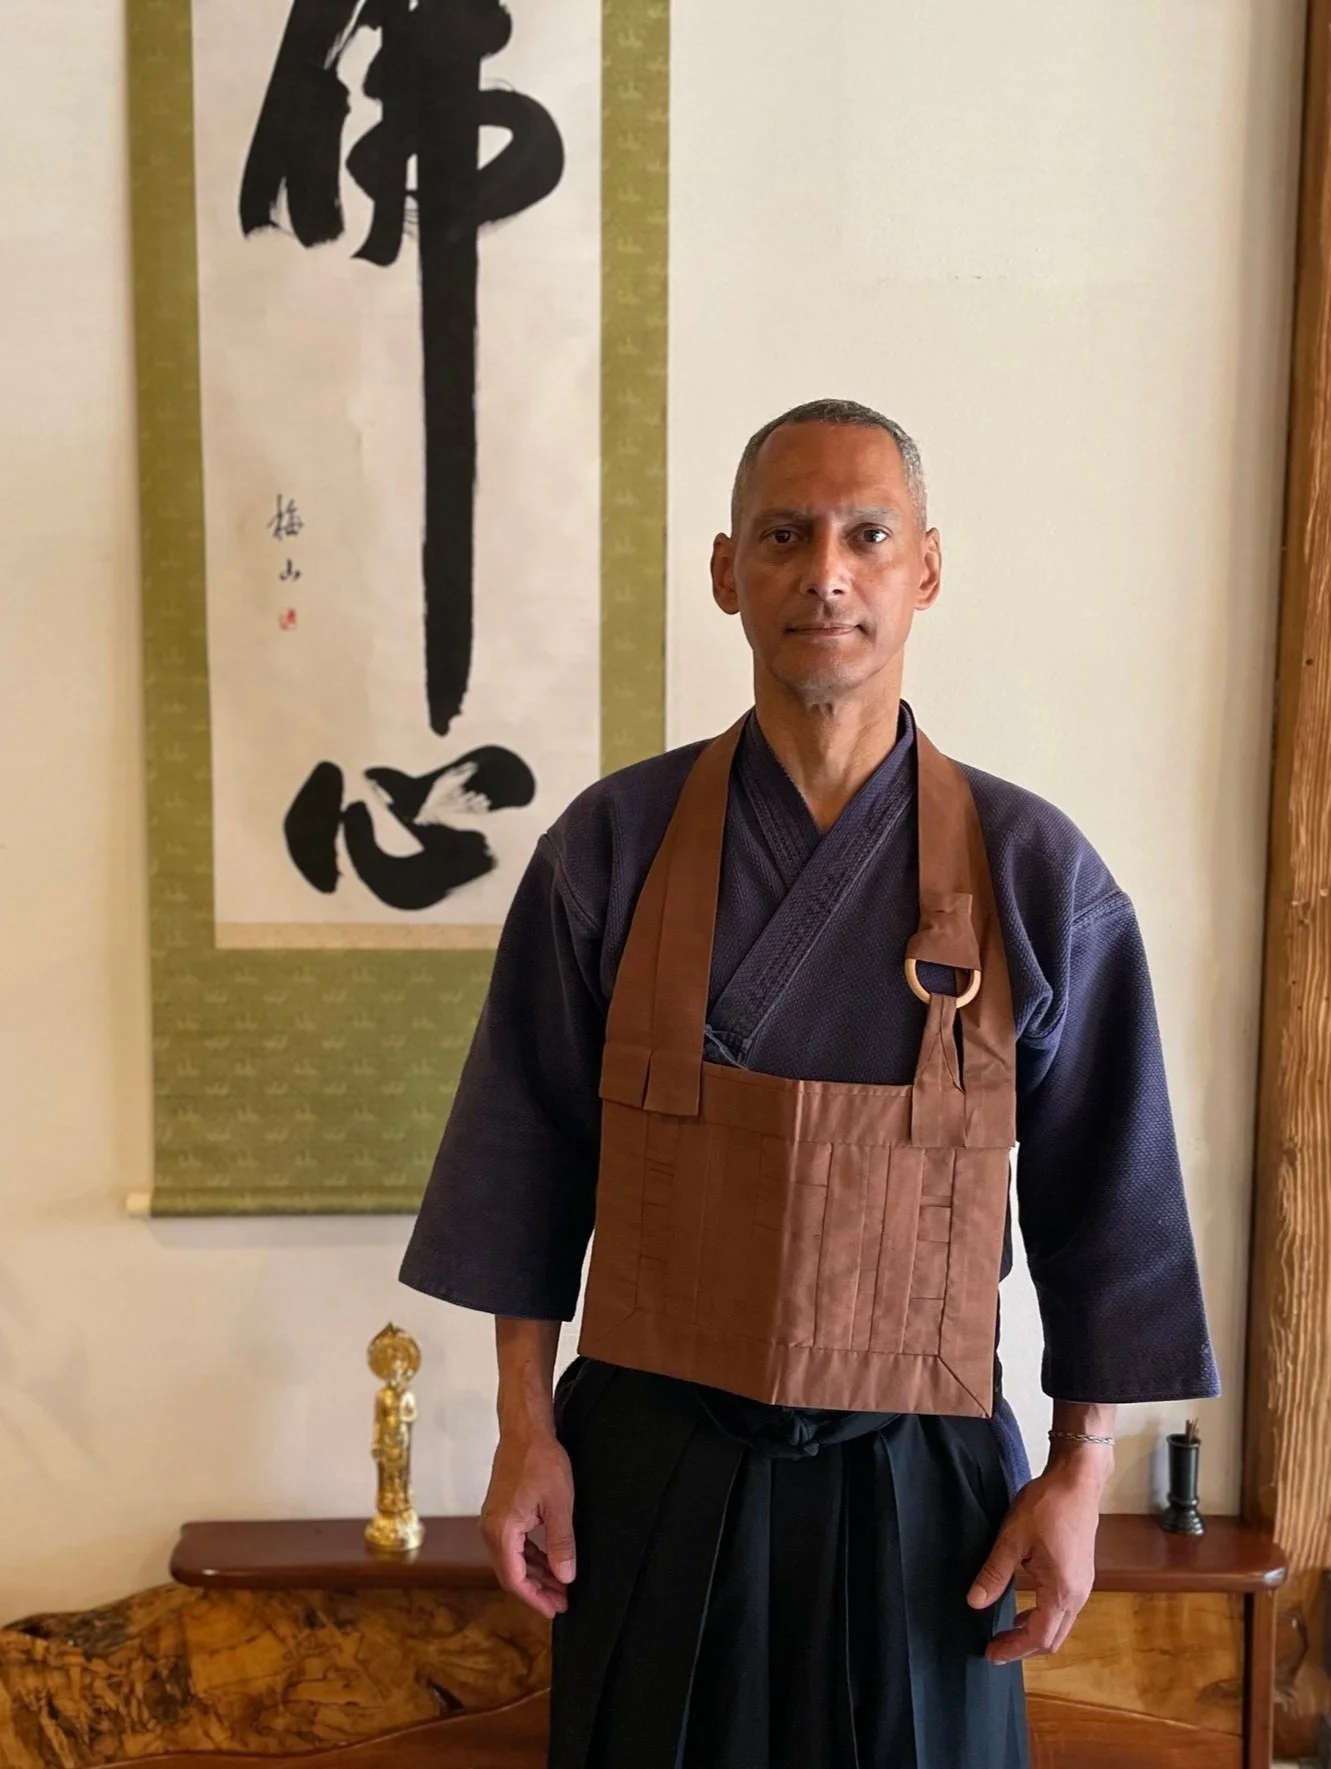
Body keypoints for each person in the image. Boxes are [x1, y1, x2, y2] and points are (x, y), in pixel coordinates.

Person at [399, 398, 1219, 1769]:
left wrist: (1080, 1472)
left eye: (865, 535)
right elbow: (523, 1157)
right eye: (782, 536)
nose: (823, 572)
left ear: (925, 569)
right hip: (649, 1462)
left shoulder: (1032, 872)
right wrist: (522, 1431)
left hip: (924, 1480)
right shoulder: (614, 847)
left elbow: (1108, 1203)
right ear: (728, 571)